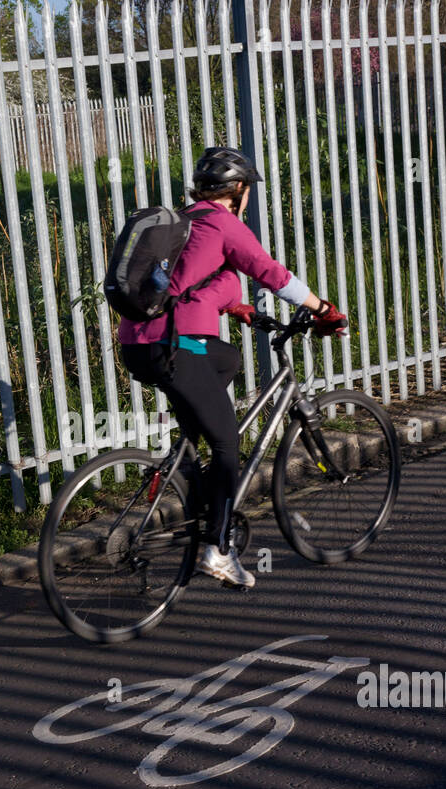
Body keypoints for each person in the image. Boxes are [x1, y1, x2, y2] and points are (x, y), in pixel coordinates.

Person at [118, 146, 348, 590]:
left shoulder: (188, 222)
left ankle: (187, 467)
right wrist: (323, 308)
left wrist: (237, 306)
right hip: (176, 347)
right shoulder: (225, 224)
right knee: (227, 446)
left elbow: (189, 286)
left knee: (227, 358)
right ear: (238, 190)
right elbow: (270, 272)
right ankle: (217, 549)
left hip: (139, 343)